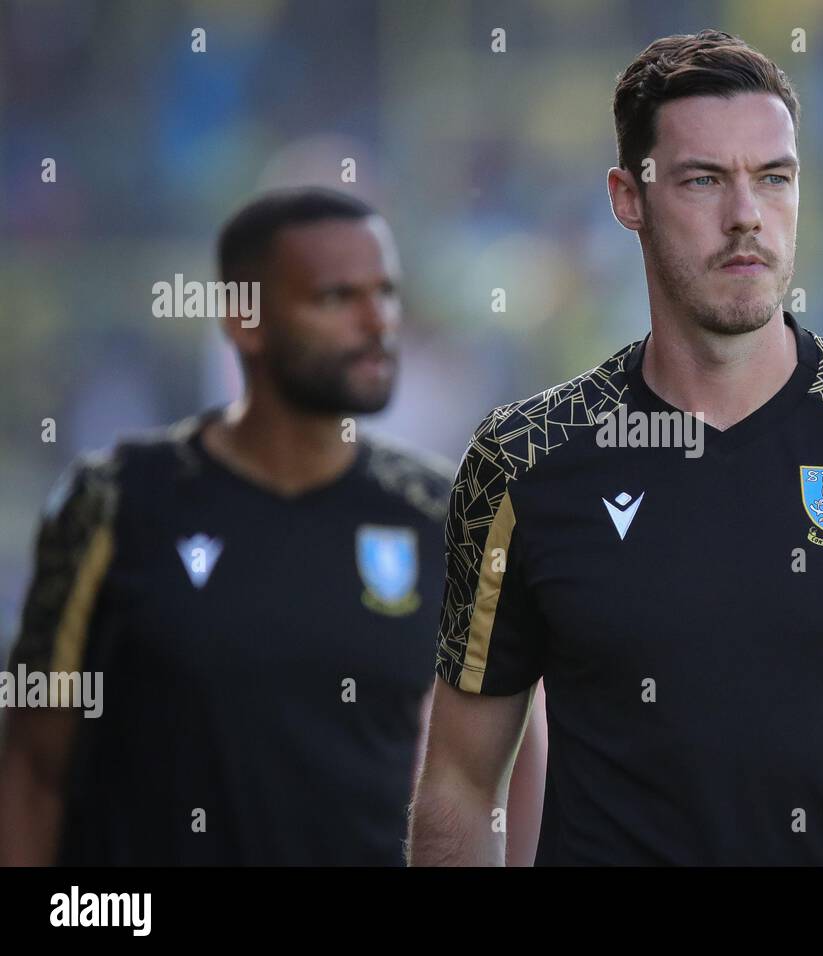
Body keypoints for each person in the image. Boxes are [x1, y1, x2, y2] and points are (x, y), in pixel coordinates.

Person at [410, 31, 823, 865]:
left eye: (774, 178)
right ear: (629, 197)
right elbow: (461, 786)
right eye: (703, 180)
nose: (746, 216)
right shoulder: (522, 460)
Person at [0, 187, 545, 865]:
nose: (377, 321)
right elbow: (33, 766)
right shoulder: (113, 501)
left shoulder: (443, 515)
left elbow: (508, 771)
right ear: (245, 322)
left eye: (386, 293)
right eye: (335, 298)